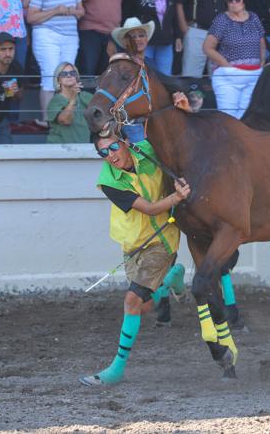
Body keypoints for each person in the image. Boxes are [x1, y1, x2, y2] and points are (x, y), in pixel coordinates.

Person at [79, 134, 191, 386]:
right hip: (133, 246)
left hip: (161, 242)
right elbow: (149, 208)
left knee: (131, 300)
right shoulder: (108, 180)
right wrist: (177, 198)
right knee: (143, 307)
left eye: (114, 146)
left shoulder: (149, 149)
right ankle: (173, 277)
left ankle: (116, 369)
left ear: (126, 142)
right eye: (104, 152)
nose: (111, 155)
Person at [27, 0, 84, 127]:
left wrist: (72, 11)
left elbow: (82, 11)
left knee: (68, 76)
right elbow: (31, 17)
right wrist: (55, 11)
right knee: (50, 75)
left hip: (69, 37)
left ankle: (66, 115)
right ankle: (47, 120)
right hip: (47, 36)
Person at [204, 0, 265, 120]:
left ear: (243, 1)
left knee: (246, 119)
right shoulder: (222, 20)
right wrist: (226, 65)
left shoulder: (254, 17)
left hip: (253, 76)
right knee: (228, 119)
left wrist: (262, 63)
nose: (234, 3)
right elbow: (207, 47)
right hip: (228, 77)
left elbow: (261, 42)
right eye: (230, 0)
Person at [122, 0, 178, 75]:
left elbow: (174, 15)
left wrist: (178, 36)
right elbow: (127, 12)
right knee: (143, 75)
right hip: (143, 40)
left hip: (165, 40)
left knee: (165, 77)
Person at [110, 17, 154, 142]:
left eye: (141, 35)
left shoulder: (152, 64)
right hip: (129, 120)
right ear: (126, 42)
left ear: (146, 39)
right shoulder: (119, 66)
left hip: (152, 119)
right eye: (133, 37)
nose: (138, 39)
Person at [46, 62, 92, 143]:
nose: (69, 75)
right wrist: (73, 99)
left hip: (83, 149)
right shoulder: (55, 100)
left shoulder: (85, 96)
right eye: (63, 74)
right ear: (58, 80)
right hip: (59, 149)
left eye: (72, 73)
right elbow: (66, 120)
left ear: (77, 77)